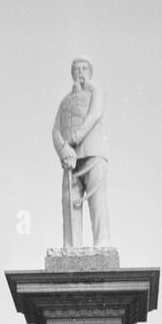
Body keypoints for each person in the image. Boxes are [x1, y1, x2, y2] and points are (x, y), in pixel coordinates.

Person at [52, 57, 111, 248]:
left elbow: (94, 115)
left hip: (92, 152)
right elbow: (55, 129)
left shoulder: (96, 92)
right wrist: (63, 149)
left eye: (84, 68)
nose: (80, 72)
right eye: (76, 69)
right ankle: (71, 246)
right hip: (71, 157)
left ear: (90, 72)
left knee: (97, 202)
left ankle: (102, 244)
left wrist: (75, 138)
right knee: (69, 203)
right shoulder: (65, 101)